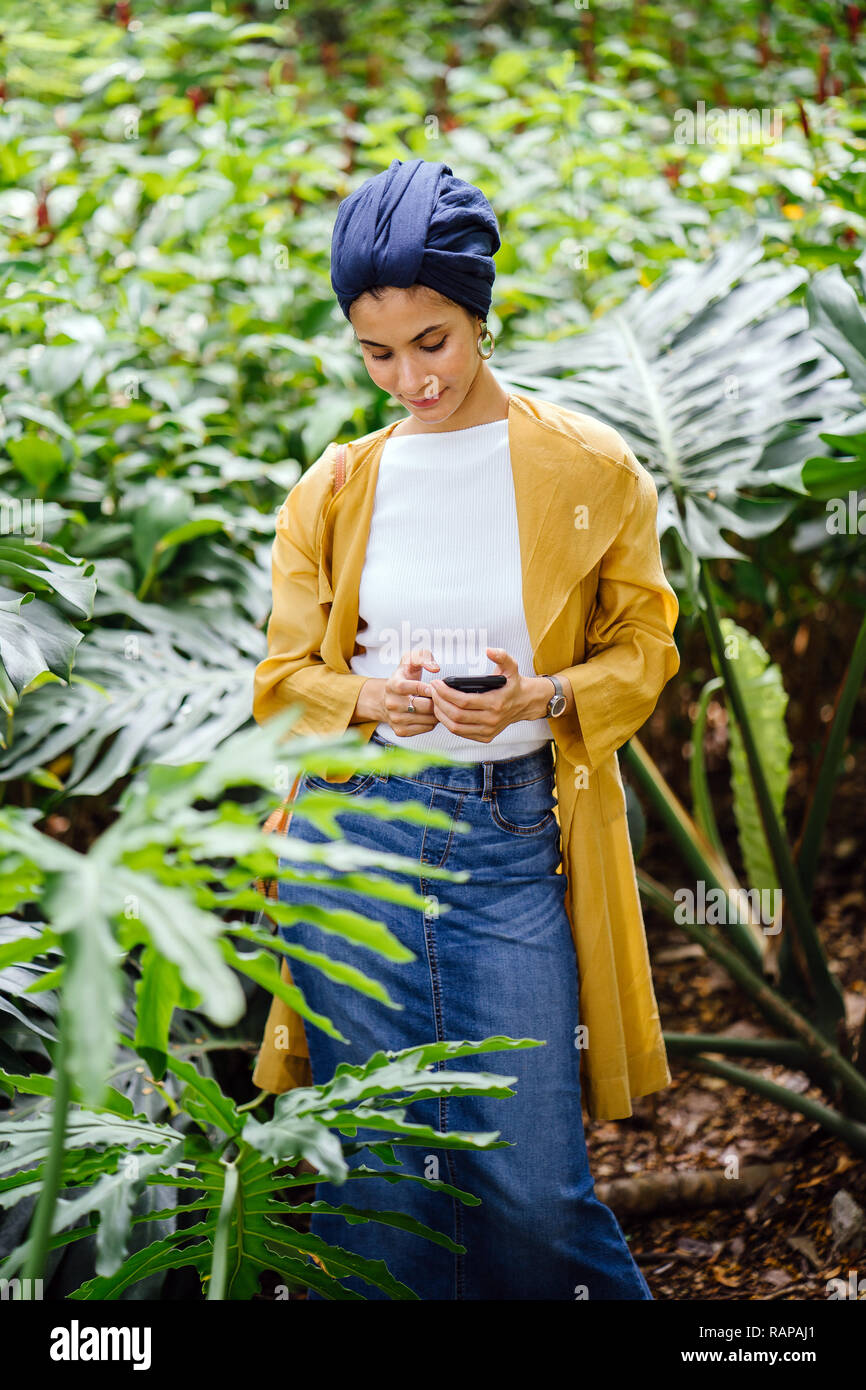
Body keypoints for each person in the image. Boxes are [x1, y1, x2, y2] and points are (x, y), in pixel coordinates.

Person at [252, 157, 680, 1300]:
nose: (409, 379)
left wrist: (542, 696)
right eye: (376, 353)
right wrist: (361, 700)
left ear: (479, 316)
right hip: (353, 847)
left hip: (508, 843)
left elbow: (646, 649)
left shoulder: (585, 471)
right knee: (379, 1190)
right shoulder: (336, 487)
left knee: (536, 1194)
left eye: (431, 342)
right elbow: (282, 677)